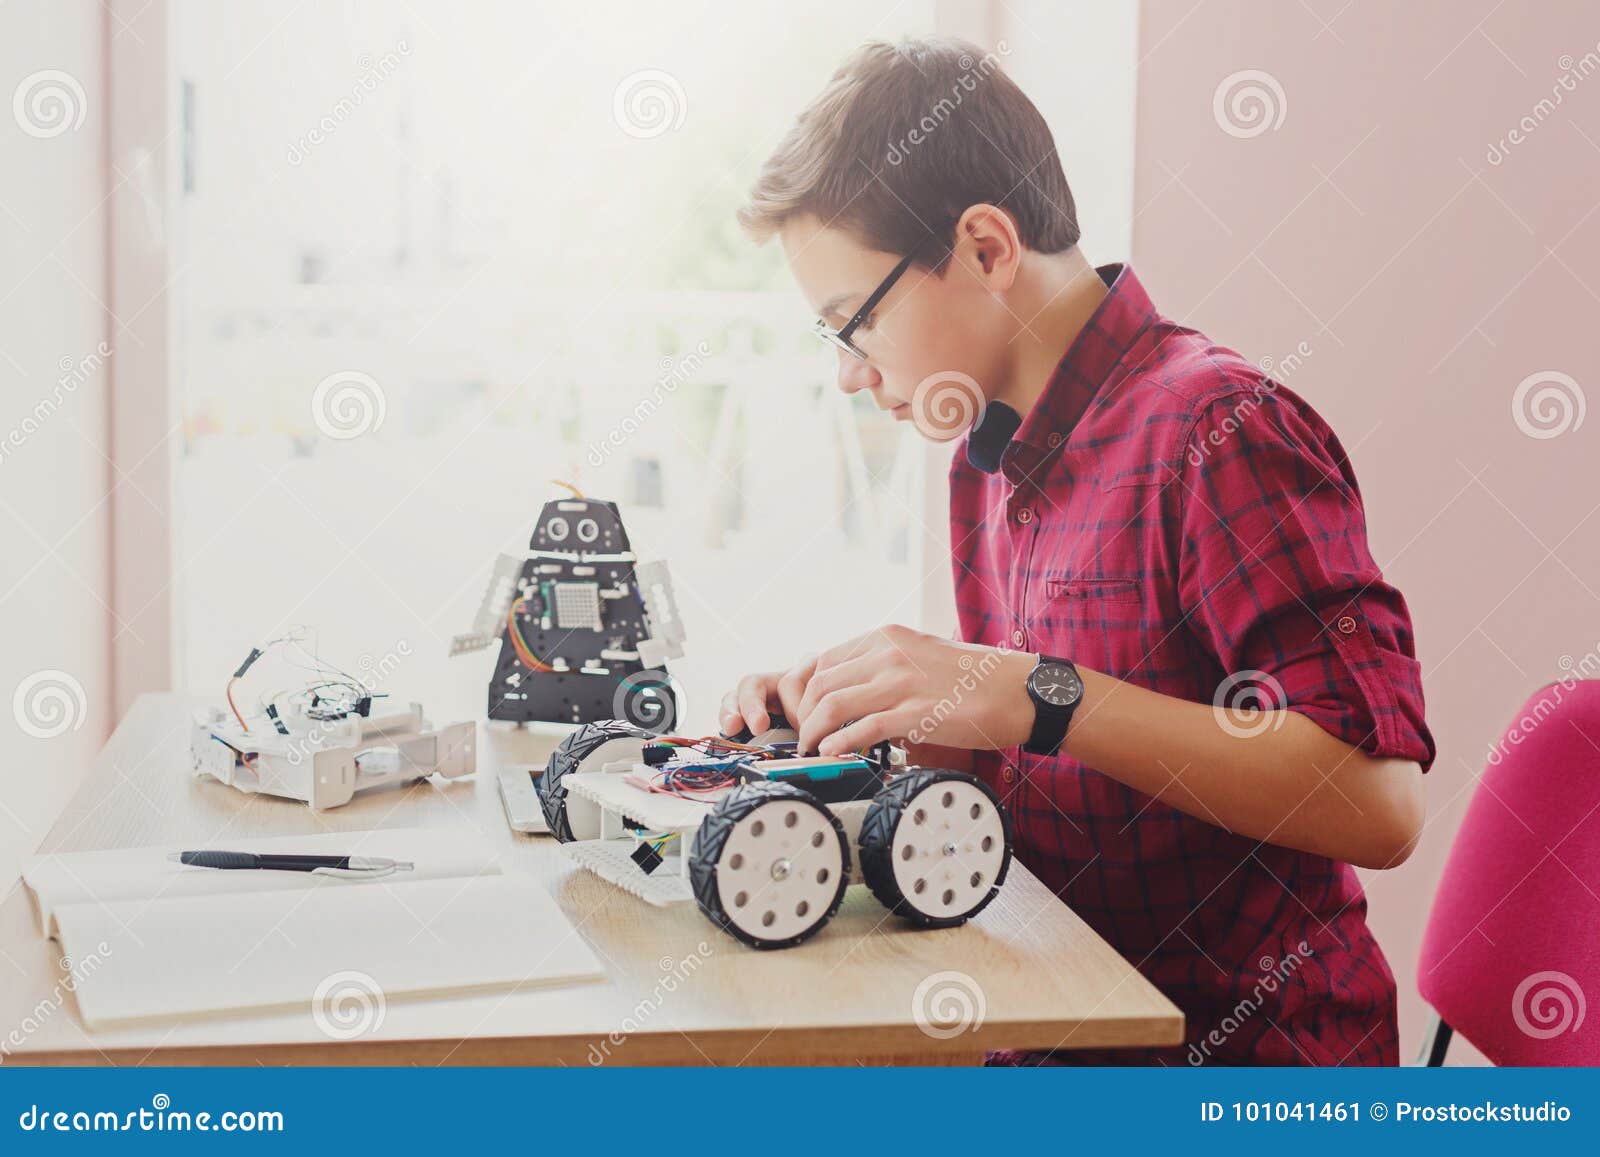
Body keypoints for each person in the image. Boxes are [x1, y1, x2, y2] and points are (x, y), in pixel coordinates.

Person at [718, 37, 1434, 1066]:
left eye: (853, 324)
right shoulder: (988, 453)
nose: (848, 374)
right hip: (1055, 1023)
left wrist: (1036, 692)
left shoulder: (1216, 428)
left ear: (984, 248)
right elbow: (1049, 763)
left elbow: (1377, 801)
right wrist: (867, 710)